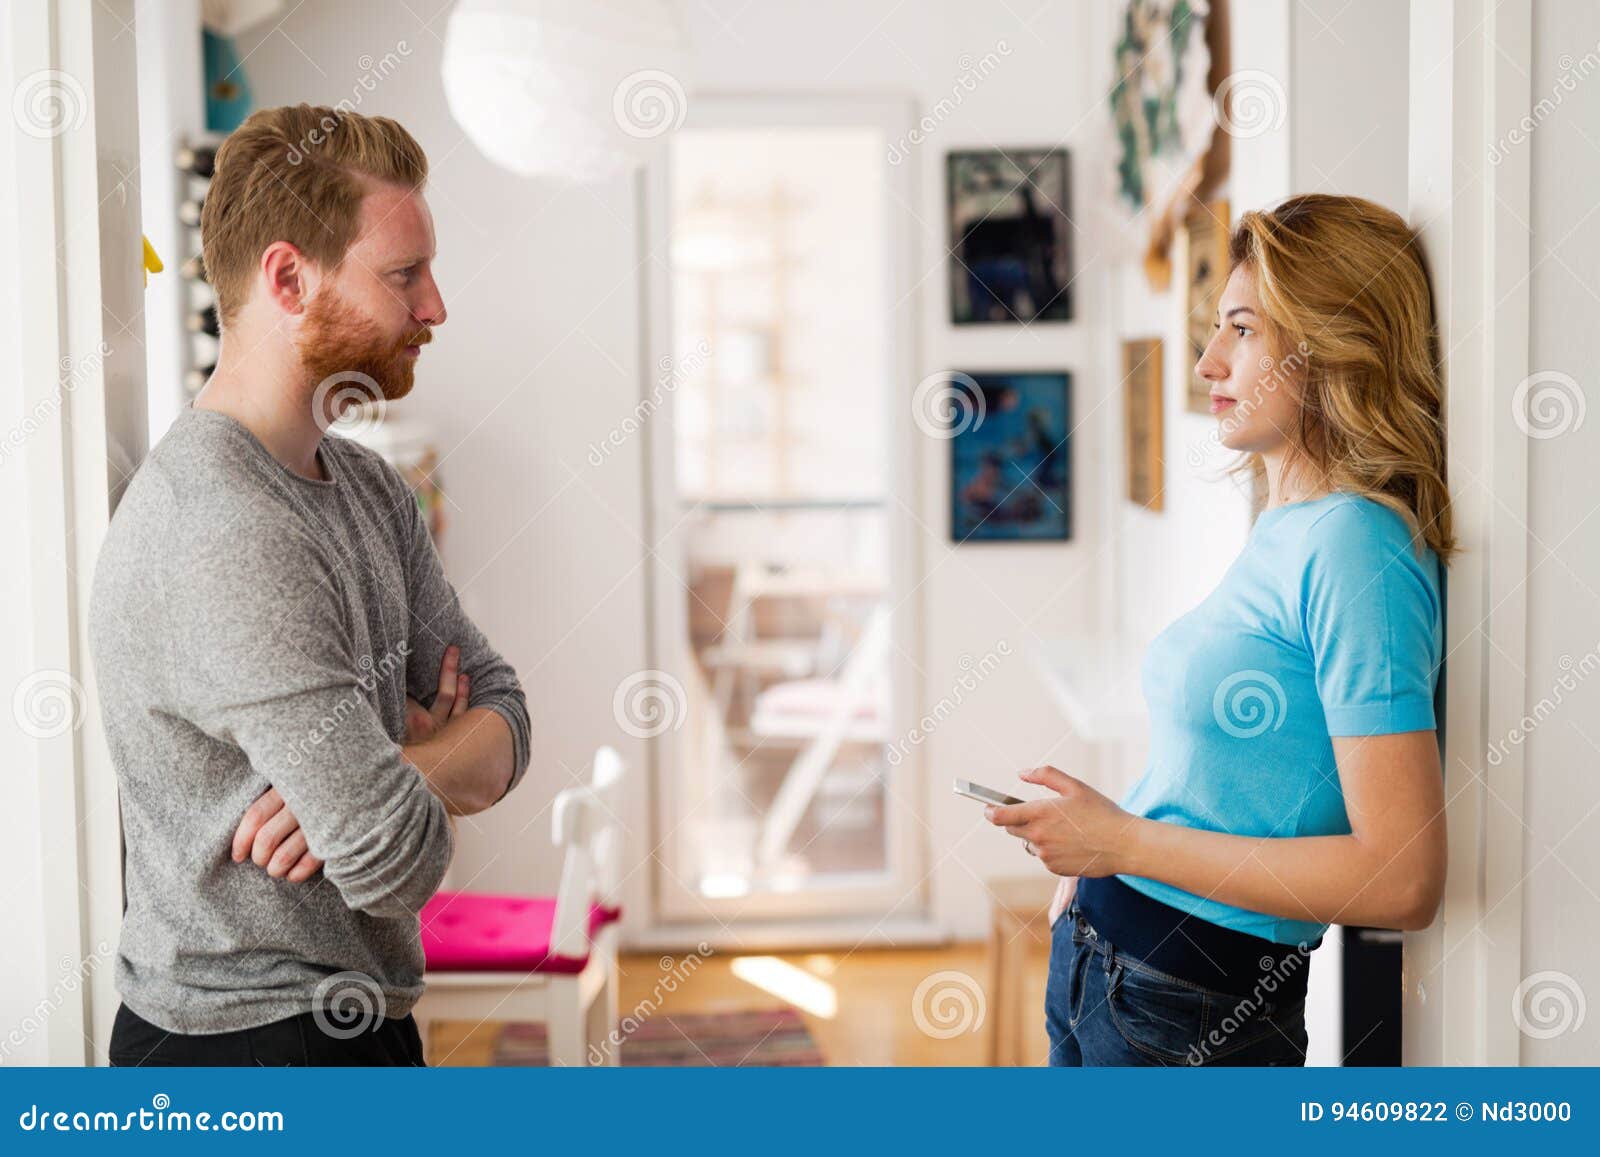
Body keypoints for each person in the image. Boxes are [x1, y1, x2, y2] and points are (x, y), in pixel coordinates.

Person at [91, 104, 532, 1066]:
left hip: (357, 1018)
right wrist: (407, 775)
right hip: (247, 1046)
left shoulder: (368, 487)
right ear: (288, 276)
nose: (436, 307)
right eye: (403, 275)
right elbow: (392, 859)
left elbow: (507, 713)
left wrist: (402, 769)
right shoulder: (225, 529)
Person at [986, 194, 1453, 1066]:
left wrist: (1120, 843)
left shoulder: (1357, 544)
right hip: (1109, 959)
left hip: (1186, 1010)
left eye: (1240, 329)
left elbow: (1404, 876)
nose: (1206, 362)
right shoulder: (1289, 524)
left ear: (1331, 338)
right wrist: (1106, 857)